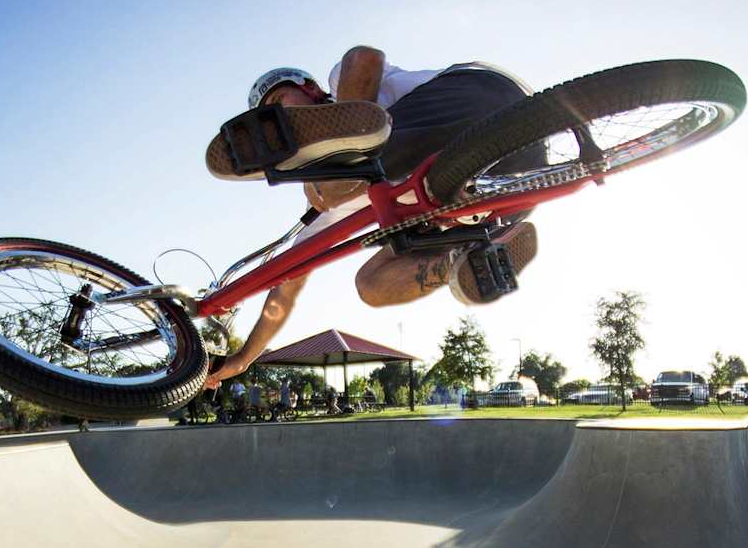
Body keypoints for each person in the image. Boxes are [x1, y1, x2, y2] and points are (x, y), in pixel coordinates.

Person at [204, 48, 545, 392]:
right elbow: (286, 289)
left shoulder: (345, 84)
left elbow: (363, 57)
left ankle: (353, 147)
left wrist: (338, 162)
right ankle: (462, 262)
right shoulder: (328, 204)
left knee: (364, 157)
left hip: (477, 102)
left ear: (309, 88)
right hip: (511, 185)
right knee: (370, 285)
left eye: (279, 101)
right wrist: (244, 358)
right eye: (267, 118)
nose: (276, 114)